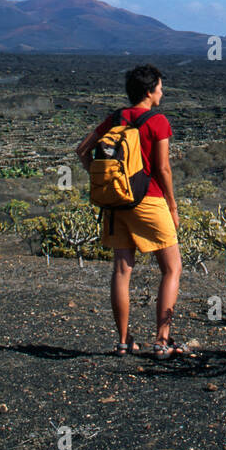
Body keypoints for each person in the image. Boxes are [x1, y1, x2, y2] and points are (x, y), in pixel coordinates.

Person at [75, 64, 185, 359]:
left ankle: (124, 341)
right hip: (148, 200)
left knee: (123, 270)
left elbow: (83, 151)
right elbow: (162, 168)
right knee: (172, 267)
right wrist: (172, 206)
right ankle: (162, 341)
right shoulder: (157, 121)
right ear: (150, 92)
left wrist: (106, 182)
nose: (162, 92)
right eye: (160, 87)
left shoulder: (117, 117)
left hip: (116, 203)